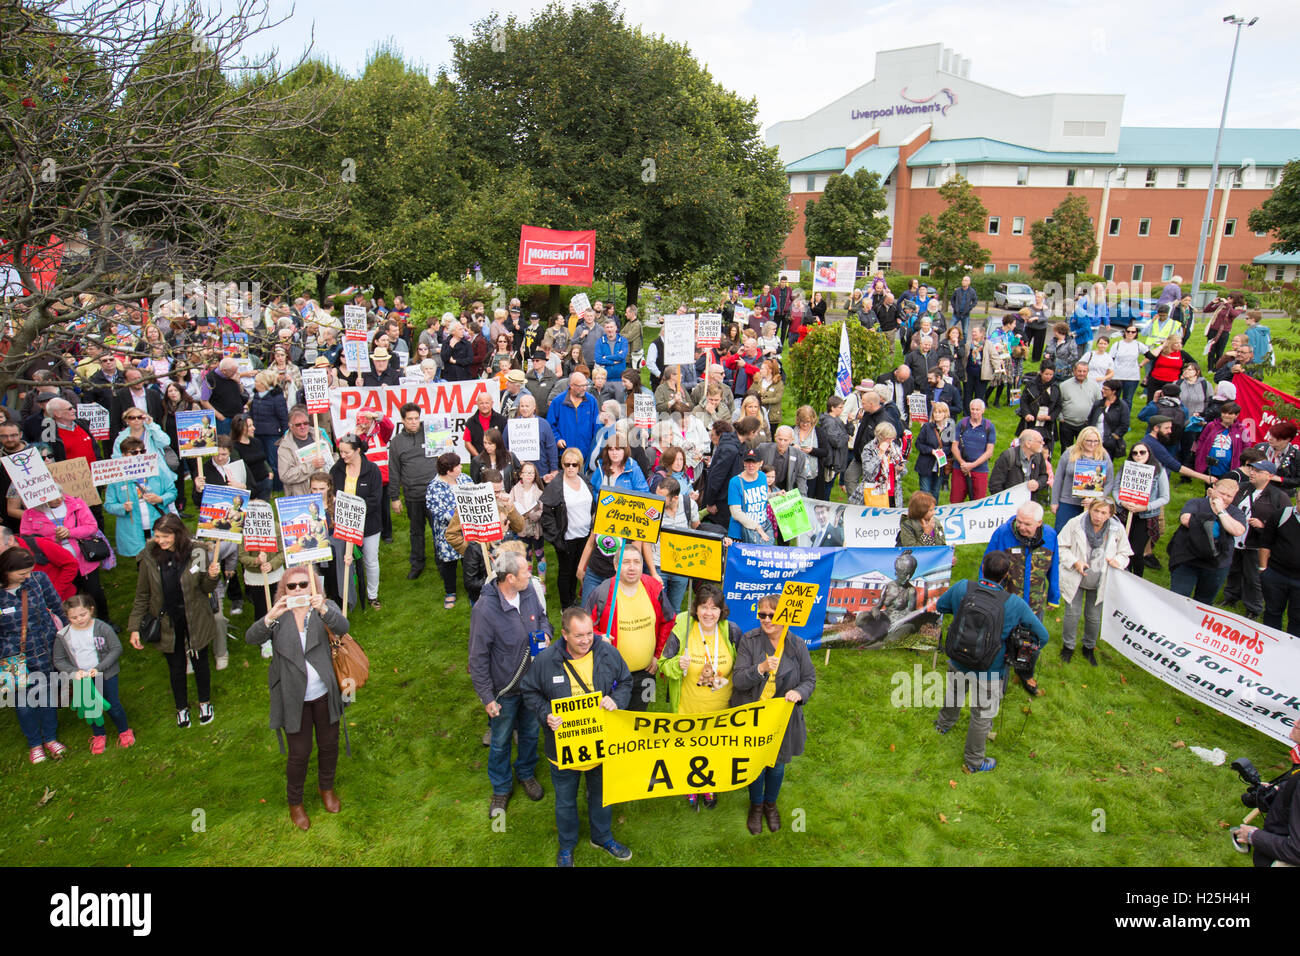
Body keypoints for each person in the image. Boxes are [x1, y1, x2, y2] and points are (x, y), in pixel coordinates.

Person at [521, 607, 633, 866]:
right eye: (579, 635)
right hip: (562, 749)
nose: (586, 640)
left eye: (590, 633)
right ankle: (567, 846)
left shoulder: (607, 652)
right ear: (564, 634)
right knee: (565, 801)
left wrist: (616, 701)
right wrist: (546, 714)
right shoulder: (547, 660)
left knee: (602, 795)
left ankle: (602, 837)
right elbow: (529, 691)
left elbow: (626, 681)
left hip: (601, 744)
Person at [244, 565, 350, 831]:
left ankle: (327, 789)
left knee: (328, 745)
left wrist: (324, 608)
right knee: (299, 753)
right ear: (284, 589)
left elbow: (344, 626)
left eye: (304, 584)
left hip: (325, 694)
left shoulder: (323, 608)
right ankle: (296, 803)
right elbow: (250, 638)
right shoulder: (279, 616)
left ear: (313, 585)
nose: (299, 589)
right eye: (292, 586)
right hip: (294, 698)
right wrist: (269, 616)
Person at [934, 550, 1050, 773]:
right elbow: (1042, 636)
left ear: (982, 567)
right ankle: (974, 761)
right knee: (982, 715)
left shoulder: (962, 588)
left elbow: (941, 606)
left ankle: (943, 725)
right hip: (991, 670)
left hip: (957, 659)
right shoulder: (1014, 604)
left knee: (954, 692)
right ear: (1006, 575)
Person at [470, 548, 551, 818]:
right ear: (509, 579)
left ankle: (526, 772)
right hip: (504, 692)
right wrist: (487, 697)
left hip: (531, 686)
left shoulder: (528, 592)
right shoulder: (484, 610)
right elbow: (478, 657)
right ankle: (502, 787)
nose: (530, 573)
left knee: (530, 733)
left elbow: (542, 617)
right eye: (524, 571)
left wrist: (546, 633)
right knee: (501, 741)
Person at [730, 592, 815, 832]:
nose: (766, 620)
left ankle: (770, 805)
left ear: (785, 616)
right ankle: (756, 806)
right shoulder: (749, 640)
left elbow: (809, 679)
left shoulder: (797, 644)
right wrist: (761, 668)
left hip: (782, 718)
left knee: (777, 765)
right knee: (756, 764)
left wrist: (799, 693)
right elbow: (738, 680)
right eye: (762, 614)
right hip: (753, 716)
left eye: (772, 615)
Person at [128, 514, 221, 729]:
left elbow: (205, 588)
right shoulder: (149, 557)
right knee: (176, 667)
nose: (160, 541)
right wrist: (134, 627)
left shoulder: (197, 552)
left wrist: (213, 576)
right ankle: (182, 707)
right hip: (168, 623)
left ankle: (205, 702)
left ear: (178, 534)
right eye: (157, 536)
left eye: (165, 536)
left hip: (195, 619)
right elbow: (142, 594)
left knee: (201, 663)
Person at [654, 583, 740, 810]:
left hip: (721, 710)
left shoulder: (731, 632)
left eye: (714, 608)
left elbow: (742, 668)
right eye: (704, 606)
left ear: (721, 611)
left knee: (713, 747)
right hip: (688, 707)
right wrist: (676, 664)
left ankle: (709, 784)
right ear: (696, 608)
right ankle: (691, 785)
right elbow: (663, 664)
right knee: (690, 748)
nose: (708, 613)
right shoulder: (682, 630)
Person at [0, 547, 71, 763]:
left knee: (47, 695)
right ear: (6, 571)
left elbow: (57, 607)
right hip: (11, 658)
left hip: (44, 649)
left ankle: (50, 738)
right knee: (23, 702)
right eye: (22, 573)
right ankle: (34, 744)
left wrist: (70, 636)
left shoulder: (39, 580)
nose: (27, 576)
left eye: (29, 571)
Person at [584, 547, 676, 711]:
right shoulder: (602, 593)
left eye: (636, 562)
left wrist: (658, 655)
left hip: (647, 673)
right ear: (615, 566)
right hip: (612, 676)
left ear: (642, 565)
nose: (632, 567)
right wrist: (598, 638)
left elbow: (669, 621)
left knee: (640, 719)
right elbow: (584, 630)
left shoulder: (653, 587)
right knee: (613, 720)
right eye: (625, 562)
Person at [53, 593, 133, 754]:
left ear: (91, 610)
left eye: (83, 614)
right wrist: (74, 672)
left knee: (112, 704)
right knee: (90, 708)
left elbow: (116, 648)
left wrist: (100, 667)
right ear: (67, 617)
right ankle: (98, 735)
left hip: (106, 674)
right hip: (82, 679)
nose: (80, 619)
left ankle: (124, 730)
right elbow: (59, 659)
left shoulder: (102, 628)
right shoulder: (63, 636)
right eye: (74, 617)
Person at [1057, 498, 1132, 665]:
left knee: (1093, 617)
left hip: (1099, 580)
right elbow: (1061, 546)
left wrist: (1117, 562)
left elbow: (1125, 553)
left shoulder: (1116, 528)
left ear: (1110, 514)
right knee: (1072, 614)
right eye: (1095, 511)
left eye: (1103, 513)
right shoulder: (1075, 523)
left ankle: (1088, 647)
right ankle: (1068, 647)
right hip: (1076, 576)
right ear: (1090, 509)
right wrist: (1075, 562)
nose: (1098, 516)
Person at [20, 493, 111, 625]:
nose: (59, 499)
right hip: (57, 564)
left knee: (94, 591)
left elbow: (91, 526)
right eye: (53, 498)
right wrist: (53, 540)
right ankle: (74, 624)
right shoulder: (30, 515)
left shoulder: (76, 504)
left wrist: (70, 532)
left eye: (59, 495)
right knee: (68, 595)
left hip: (84, 559)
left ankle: (105, 621)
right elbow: (29, 540)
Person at [1223, 457, 1288, 619]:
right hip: (1235, 537)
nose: (1252, 473)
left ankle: (1253, 607)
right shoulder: (1243, 488)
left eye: (1258, 471)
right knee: (1233, 569)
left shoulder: (1279, 497)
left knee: (1253, 576)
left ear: (1269, 476)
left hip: (1256, 542)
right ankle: (1231, 597)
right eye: (1252, 469)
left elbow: (1285, 522)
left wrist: (1263, 525)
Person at [1167, 479, 1247, 602]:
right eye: (1221, 493)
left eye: (1229, 496)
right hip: (1188, 559)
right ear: (1214, 488)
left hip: (1216, 564)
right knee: (1178, 598)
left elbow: (1238, 530)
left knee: (1204, 602)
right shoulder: (1197, 503)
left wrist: (1221, 512)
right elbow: (1185, 519)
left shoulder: (1236, 513)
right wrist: (1216, 522)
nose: (1224, 498)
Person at [329, 434, 384, 611]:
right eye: (340, 452)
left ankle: (372, 595)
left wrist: (356, 512)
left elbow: (376, 499)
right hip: (344, 526)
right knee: (346, 560)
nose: (342, 456)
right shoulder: (336, 470)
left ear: (358, 450)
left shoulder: (372, 470)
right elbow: (331, 494)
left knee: (370, 560)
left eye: (346, 452)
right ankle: (347, 595)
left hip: (369, 525)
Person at [102, 438, 179, 559]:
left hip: (158, 525)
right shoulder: (116, 478)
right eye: (134, 452)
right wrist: (122, 507)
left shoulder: (156, 470)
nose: (139, 455)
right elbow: (108, 505)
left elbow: (172, 492)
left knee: (164, 559)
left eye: (142, 452)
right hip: (133, 530)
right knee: (143, 564)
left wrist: (160, 499)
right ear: (123, 455)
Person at [983, 502, 1061, 620]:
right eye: (1019, 521)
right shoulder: (1003, 533)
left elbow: (1054, 569)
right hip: (1005, 604)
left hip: (1035, 606)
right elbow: (987, 566)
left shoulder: (1050, 536)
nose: (1021, 527)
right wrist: (985, 595)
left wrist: (1053, 597)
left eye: (1027, 524)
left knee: (1033, 637)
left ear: (1039, 523)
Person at [388, 403, 439, 580]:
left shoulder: (431, 432)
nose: (414, 422)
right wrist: (394, 497)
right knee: (416, 531)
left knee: (438, 530)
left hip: (434, 493)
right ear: (402, 420)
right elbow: (393, 470)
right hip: (412, 494)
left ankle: (443, 562)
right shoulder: (396, 442)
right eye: (410, 419)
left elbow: (446, 452)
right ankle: (417, 563)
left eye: (417, 418)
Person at [540, 448, 595, 609]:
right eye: (567, 464)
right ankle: (566, 605)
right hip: (566, 538)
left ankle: (573, 599)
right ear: (562, 465)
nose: (570, 467)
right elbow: (547, 514)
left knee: (578, 568)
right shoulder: (557, 485)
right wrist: (557, 539)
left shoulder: (584, 480)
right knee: (566, 571)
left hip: (585, 536)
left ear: (580, 465)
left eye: (574, 464)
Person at [1114, 444, 1170, 577]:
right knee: (1121, 549)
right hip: (1125, 514)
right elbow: (1116, 489)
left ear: (1149, 453)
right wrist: (1122, 502)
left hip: (1146, 518)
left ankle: (1137, 579)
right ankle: (1122, 577)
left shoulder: (1158, 470)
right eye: (1135, 453)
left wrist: (1145, 507)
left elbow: (1165, 497)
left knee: (1137, 552)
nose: (1138, 455)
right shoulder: (1125, 467)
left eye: (1142, 452)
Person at [1050, 426, 1114, 531]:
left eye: (1096, 441)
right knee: (1062, 533)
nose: (1092, 444)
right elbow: (1059, 478)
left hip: (1092, 505)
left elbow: (1110, 482)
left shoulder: (1104, 455)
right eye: (1089, 441)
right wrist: (1054, 501)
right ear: (1081, 439)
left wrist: (1097, 499)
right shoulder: (1069, 453)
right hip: (1068, 502)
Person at [278, 407, 335, 497]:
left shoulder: (318, 435)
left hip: (325, 493)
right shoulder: (285, 447)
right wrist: (311, 465)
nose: (302, 427)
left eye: (305, 423)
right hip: (302, 496)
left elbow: (333, 455)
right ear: (290, 426)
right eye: (298, 424)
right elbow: (285, 476)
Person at [950, 399, 996, 503]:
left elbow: (989, 452)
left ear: (983, 411)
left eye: (977, 410)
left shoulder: (989, 426)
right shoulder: (962, 423)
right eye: (972, 409)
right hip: (960, 468)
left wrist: (972, 465)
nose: (974, 412)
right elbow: (954, 446)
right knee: (955, 500)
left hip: (980, 469)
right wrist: (963, 463)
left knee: (978, 502)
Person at [989, 428, 1051, 502]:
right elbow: (995, 484)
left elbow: (1044, 476)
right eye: (1040, 441)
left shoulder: (1039, 457)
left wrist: (1038, 483)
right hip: (1009, 505)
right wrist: (1003, 502)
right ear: (1028, 444)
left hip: (1029, 504)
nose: (1043, 443)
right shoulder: (1008, 456)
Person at [728, 450, 771, 542]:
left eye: (754, 462)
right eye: (748, 461)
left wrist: (776, 495)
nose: (751, 465)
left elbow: (762, 497)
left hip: (762, 529)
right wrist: (756, 527)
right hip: (740, 534)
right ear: (744, 463)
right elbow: (736, 513)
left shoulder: (763, 476)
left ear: (761, 463)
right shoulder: (735, 482)